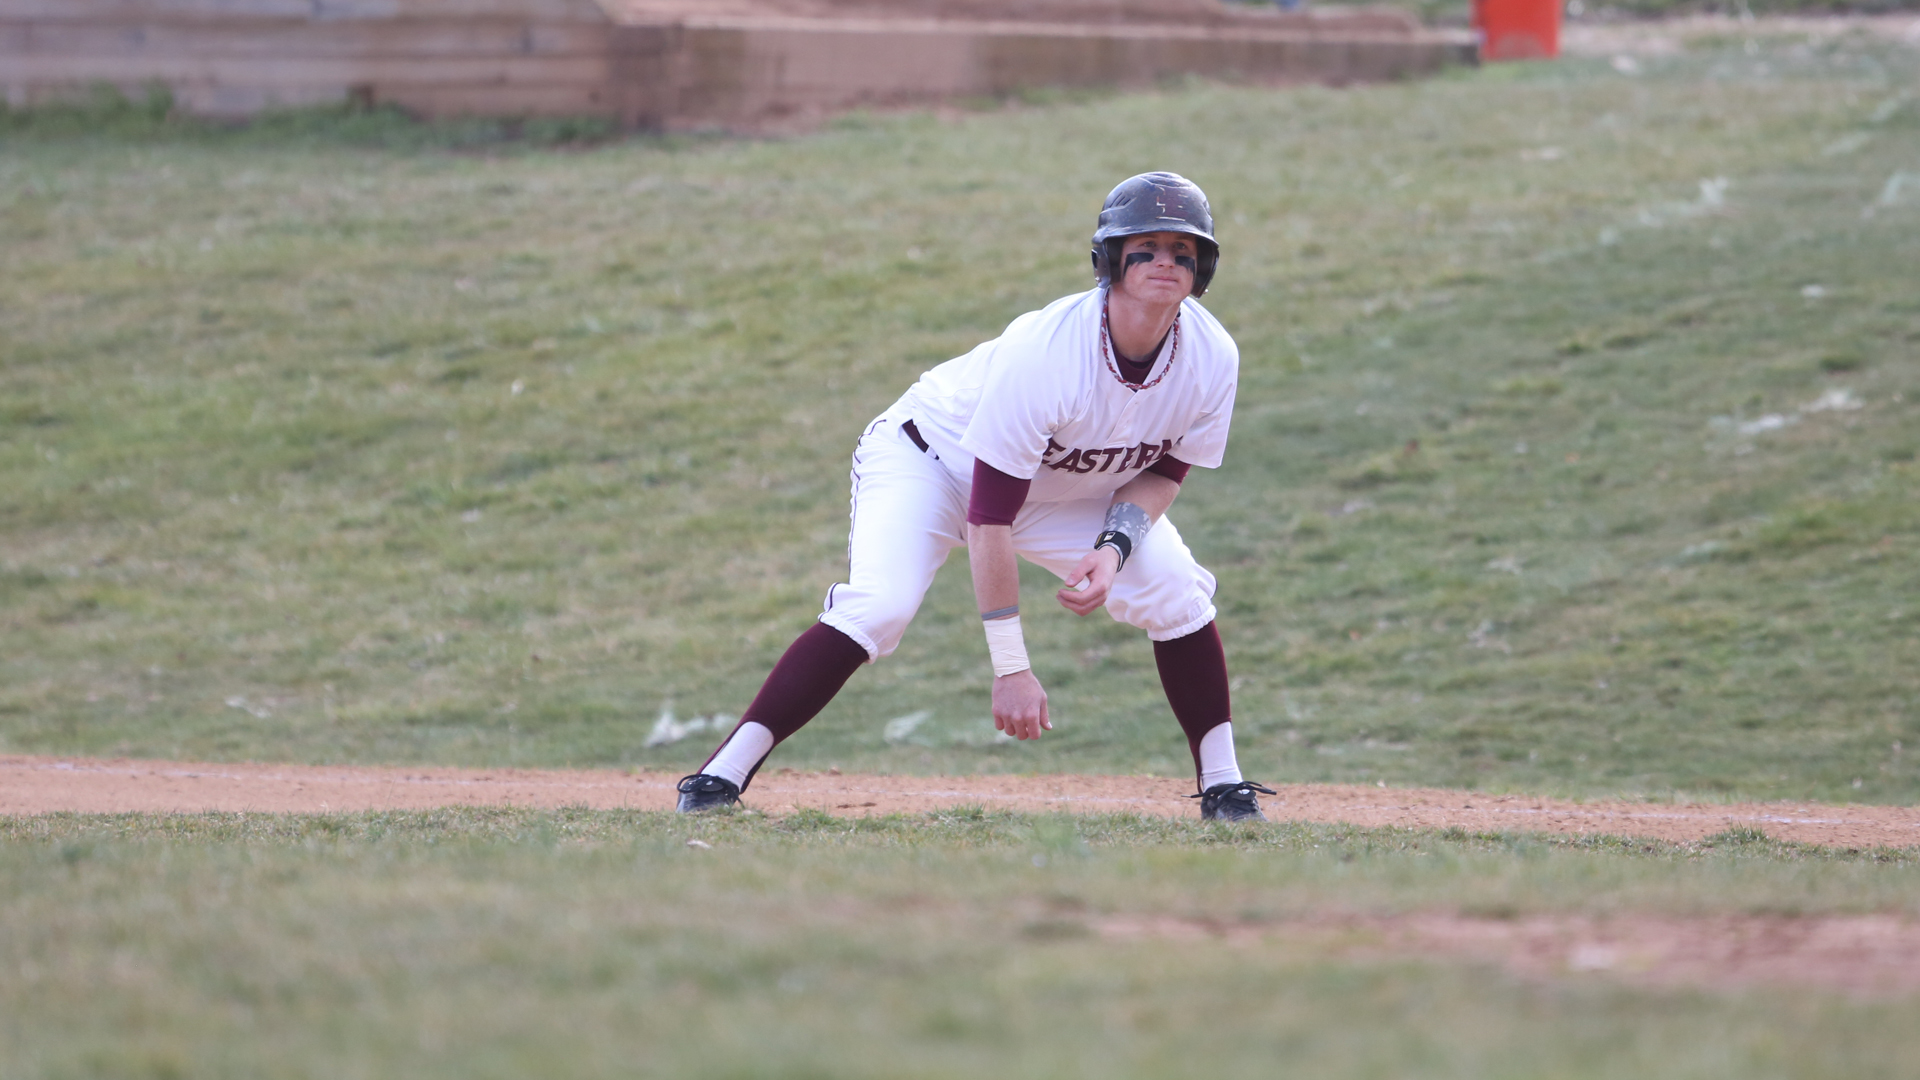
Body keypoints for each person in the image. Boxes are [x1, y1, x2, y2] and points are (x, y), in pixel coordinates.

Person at [676, 171, 1273, 821]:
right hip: (930, 462)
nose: (1166, 260)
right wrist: (1011, 667)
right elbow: (989, 519)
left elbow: (1165, 473)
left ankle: (1223, 786)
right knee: (880, 608)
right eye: (1146, 246)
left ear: (1204, 267)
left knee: (1174, 587)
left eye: (1182, 250)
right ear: (1109, 259)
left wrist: (1114, 546)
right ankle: (717, 777)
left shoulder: (1212, 357)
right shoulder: (1047, 353)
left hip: (1059, 489)